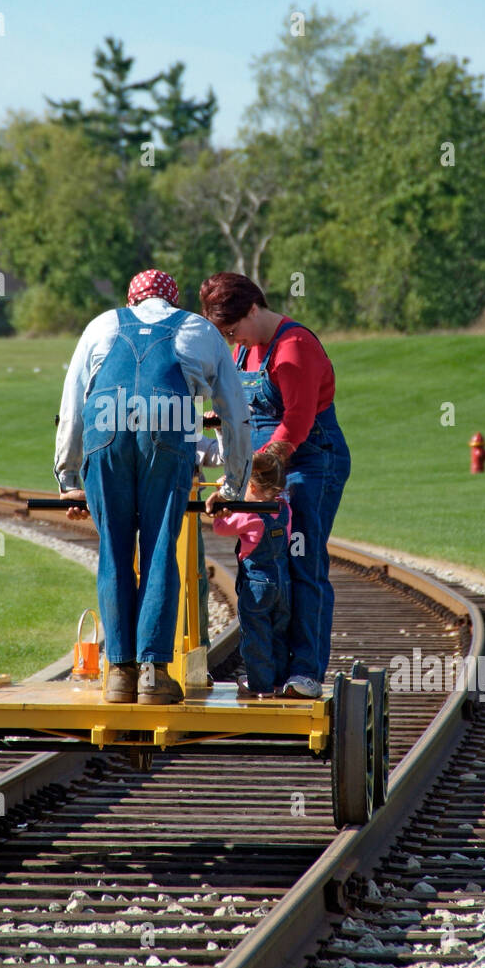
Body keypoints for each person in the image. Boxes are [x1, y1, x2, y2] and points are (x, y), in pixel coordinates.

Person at [55, 269, 252, 705]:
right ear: (174, 300)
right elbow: (235, 413)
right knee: (161, 546)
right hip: (169, 438)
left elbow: (72, 406)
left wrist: (69, 480)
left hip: (105, 434)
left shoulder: (101, 326)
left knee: (114, 550)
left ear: (131, 301)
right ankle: (153, 673)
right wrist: (234, 482)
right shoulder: (198, 330)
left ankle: (118, 674)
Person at [200, 272, 351, 698]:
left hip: (309, 463)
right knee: (269, 565)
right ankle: (272, 673)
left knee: (303, 565)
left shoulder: (293, 348)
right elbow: (244, 409)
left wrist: (255, 480)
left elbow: (295, 424)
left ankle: (305, 672)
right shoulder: (245, 350)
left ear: (253, 308)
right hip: (268, 467)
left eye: (233, 329)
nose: (234, 339)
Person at [211, 451, 292, 698]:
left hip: (257, 585)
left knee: (255, 634)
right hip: (283, 584)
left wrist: (224, 497)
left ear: (253, 487)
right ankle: (279, 681)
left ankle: (260, 684)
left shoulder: (250, 515)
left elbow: (220, 527)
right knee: (278, 633)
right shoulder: (285, 508)